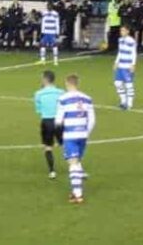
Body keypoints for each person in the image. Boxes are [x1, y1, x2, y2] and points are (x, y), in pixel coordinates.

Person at [54, 73, 96, 205]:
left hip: (70, 135)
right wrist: (86, 133)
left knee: (72, 163)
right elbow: (92, 120)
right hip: (82, 135)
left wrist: (59, 137)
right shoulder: (87, 98)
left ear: (67, 83)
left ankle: (77, 194)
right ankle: (78, 187)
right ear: (77, 83)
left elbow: (59, 120)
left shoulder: (63, 99)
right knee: (76, 161)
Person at [33, 70, 63, 180]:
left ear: (45, 79)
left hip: (47, 122)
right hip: (60, 121)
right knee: (66, 145)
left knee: (48, 147)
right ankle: (76, 167)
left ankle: (52, 171)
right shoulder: (61, 92)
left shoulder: (38, 94)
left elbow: (39, 111)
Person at [113, 25, 138, 110]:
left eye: (123, 31)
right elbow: (119, 52)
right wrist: (116, 62)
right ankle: (123, 101)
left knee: (129, 85)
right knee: (117, 83)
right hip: (120, 66)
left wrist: (133, 64)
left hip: (127, 66)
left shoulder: (131, 41)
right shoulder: (120, 40)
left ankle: (129, 104)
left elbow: (134, 53)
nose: (122, 32)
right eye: (121, 31)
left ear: (128, 31)